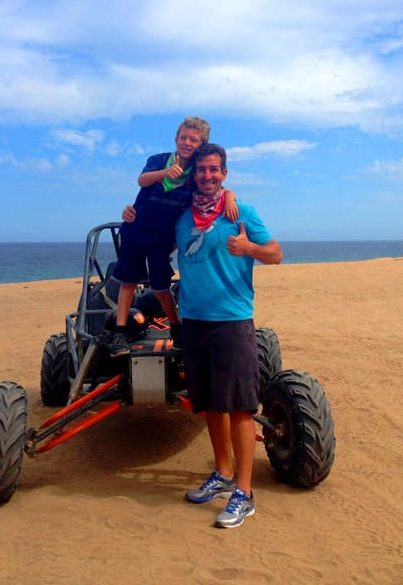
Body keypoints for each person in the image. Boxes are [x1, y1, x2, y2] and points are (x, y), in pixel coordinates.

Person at [175, 142, 282, 529]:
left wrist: (249, 247)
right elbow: (151, 228)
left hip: (232, 321)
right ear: (194, 174)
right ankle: (222, 473)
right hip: (193, 321)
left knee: (239, 407)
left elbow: (275, 253)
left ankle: (244, 492)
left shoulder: (241, 211)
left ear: (224, 173)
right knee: (210, 405)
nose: (207, 175)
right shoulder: (181, 215)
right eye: (201, 169)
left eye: (214, 169)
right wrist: (130, 214)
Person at [107, 117, 237, 356]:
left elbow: (217, 189)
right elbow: (142, 180)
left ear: (201, 145)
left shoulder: (195, 174)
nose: (187, 143)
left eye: (193, 140)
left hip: (162, 239)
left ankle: (176, 328)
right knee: (128, 282)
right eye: (183, 138)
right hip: (136, 230)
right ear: (176, 139)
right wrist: (166, 172)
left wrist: (229, 198)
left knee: (161, 287)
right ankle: (120, 332)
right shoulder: (158, 160)